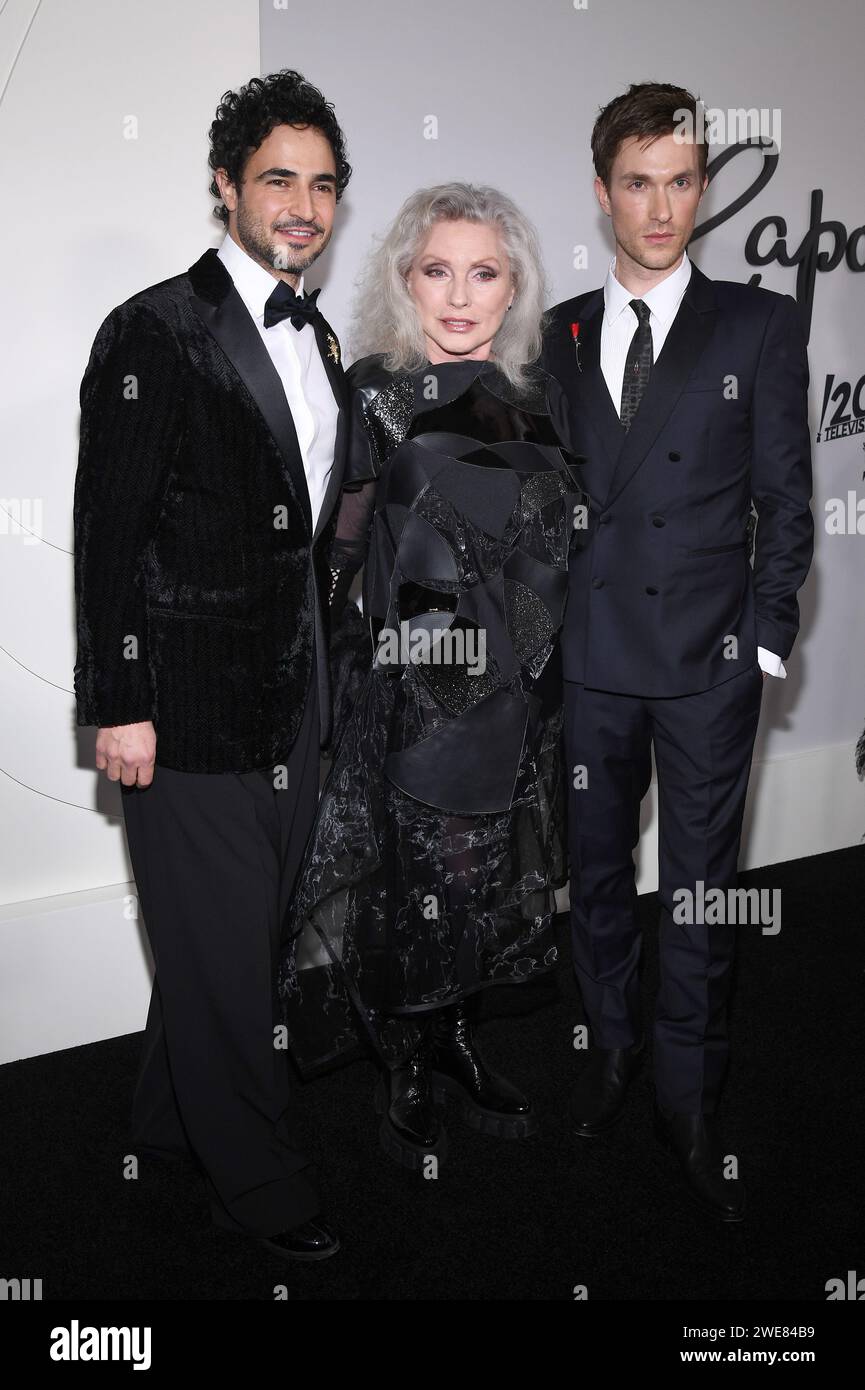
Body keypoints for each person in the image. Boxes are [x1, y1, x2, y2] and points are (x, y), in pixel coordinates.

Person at [72, 69, 352, 1260]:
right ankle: (261, 1181)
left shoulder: (319, 331)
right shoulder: (154, 330)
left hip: (297, 696)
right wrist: (118, 704)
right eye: (278, 179)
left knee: (230, 937)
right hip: (184, 706)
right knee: (233, 954)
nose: (303, 206)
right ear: (226, 188)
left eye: (323, 185)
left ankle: (169, 1120)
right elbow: (109, 535)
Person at [543, 82, 813, 1220]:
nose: (660, 209)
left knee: (701, 895)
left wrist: (763, 640)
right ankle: (611, 1050)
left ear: (703, 188)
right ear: (602, 190)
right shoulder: (557, 332)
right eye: (638, 183)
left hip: (707, 667)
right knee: (597, 876)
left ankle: (688, 1097)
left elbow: (786, 502)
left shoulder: (755, 324)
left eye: (681, 182)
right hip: (590, 663)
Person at [278, 183, 586, 1169]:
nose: (458, 295)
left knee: (480, 883)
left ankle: (454, 1034)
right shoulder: (375, 389)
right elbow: (338, 554)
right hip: (416, 693)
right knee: (412, 882)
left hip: (522, 695)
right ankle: (404, 1061)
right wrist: (335, 686)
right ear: (404, 281)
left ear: (513, 288)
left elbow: (563, 544)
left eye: (482, 273)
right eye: (435, 271)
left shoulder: (539, 398)